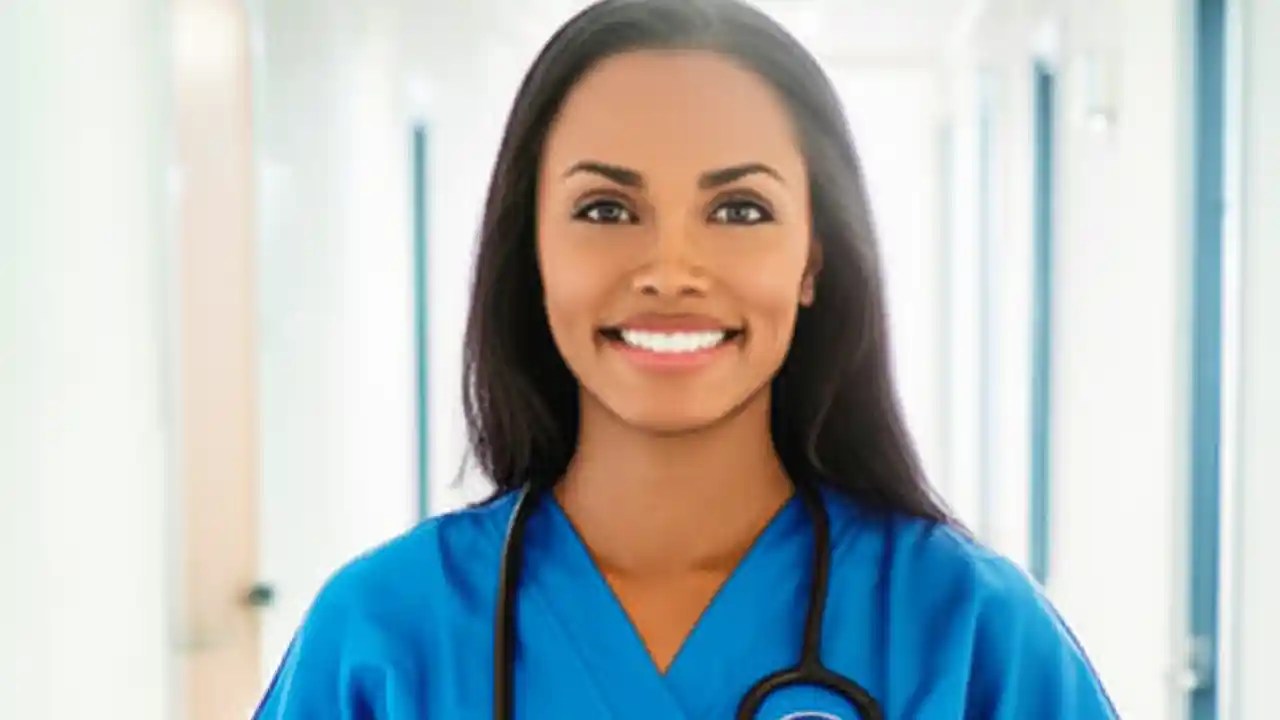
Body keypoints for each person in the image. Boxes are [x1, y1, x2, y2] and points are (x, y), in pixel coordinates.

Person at [255, 0, 1118, 717]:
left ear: (813, 258)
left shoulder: (968, 635)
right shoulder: (384, 636)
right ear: (533, 251)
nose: (670, 271)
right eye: (605, 209)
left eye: (739, 210)